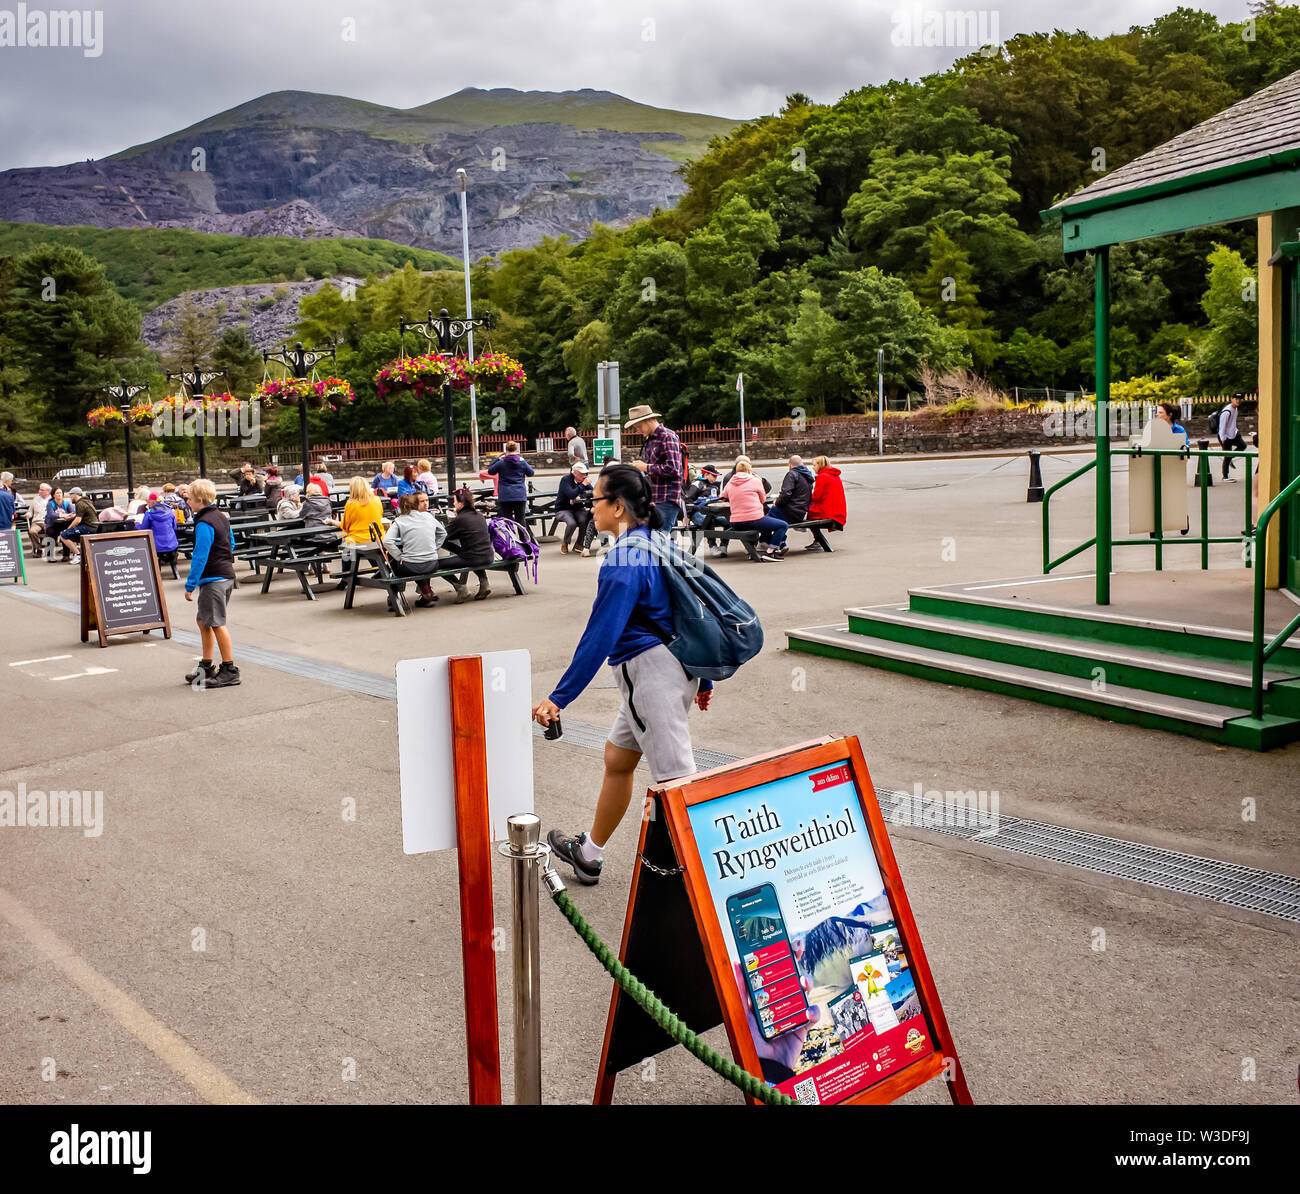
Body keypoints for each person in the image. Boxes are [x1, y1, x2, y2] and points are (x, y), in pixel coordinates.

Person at [532, 464, 714, 885]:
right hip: (673, 669)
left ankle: (708, 885)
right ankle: (589, 854)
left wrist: (559, 697)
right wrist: (702, 678)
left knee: (677, 781)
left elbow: (601, 634)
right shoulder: (655, 543)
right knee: (618, 757)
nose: (588, 507)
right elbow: (687, 614)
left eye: (594, 499)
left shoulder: (622, 558)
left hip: (650, 676)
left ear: (617, 506)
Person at [184, 478, 240, 688]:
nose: (187, 502)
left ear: (199, 499)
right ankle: (206, 666)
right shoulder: (221, 517)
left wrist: (190, 584)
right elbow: (231, 542)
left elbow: (200, 555)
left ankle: (229, 669)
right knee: (204, 621)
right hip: (225, 574)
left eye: (189, 498)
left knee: (216, 623)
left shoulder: (204, 522)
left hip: (213, 577)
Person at [383, 492, 447, 608]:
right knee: (419, 563)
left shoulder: (400, 520)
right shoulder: (428, 516)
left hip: (411, 565)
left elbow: (387, 541)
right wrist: (434, 547)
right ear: (417, 505)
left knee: (394, 566)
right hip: (433, 563)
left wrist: (399, 556)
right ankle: (426, 591)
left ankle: (393, 600)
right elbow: (443, 533)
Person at [626, 404, 684, 531]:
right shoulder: (650, 440)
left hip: (667, 498)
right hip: (655, 499)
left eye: (639, 426)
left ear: (648, 420)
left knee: (658, 542)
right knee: (651, 541)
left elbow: (673, 469)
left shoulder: (668, 437)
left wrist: (645, 467)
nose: (638, 431)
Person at [721, 457, 786, 561]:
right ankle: (770, 552)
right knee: (782, 525)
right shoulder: (755, 481)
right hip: (754, 520)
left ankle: (756, 551)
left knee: (764, 523)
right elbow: (763, 499)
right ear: (749, 470)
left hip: (735, 522)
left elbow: (723, 496)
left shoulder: (730, 483)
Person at [440, 488, 496, 601]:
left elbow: (443, 535)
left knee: (436, 564)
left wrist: (453, 519)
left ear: (461, 503)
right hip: (488, 556)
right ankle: (484, 582)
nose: (454, 504)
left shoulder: (460, 519)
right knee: (469, 552)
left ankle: (460, 588)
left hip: (472, 558)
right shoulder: (479, 515)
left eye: (455, 501)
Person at [332, 475, 386, 582]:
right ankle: (380, 571)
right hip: (377, 538)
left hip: (357, 540)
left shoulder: (351, 505)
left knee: (346, 546)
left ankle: (346, 576)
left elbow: (345, 526)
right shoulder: (376, 500)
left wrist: (332, 522)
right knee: (371, 549)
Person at [486, 441, 534, 527]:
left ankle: (510, 539)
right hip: (519, 494)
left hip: (505, 495)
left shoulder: (501, 463)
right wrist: (524, 460)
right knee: (520, 519)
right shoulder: (522, 462)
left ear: (506, 450)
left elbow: (490, 471)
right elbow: (531, 473)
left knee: (507, 519)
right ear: (516, 449)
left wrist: (497, 459)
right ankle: (523, 540)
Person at [806, 456, 847, 549]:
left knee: (808, 516)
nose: (813, 468)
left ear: (820, 465)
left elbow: (816, 497)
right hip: (839, 512)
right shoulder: (834, 475)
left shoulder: (822, 477)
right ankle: (818, 541)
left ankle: (818, 541)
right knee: (810, 512)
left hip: (830, 512)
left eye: (814, 465)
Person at [684, 464, 726, 554]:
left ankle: (723, 546)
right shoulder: (697, 484)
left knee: (728, 521)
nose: (715, 478)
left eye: (716, 476)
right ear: (706, 474)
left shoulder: (715, 486)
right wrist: (687, 516)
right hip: (697, 513)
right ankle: (712, 546)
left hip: (714, 512)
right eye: (713, 476)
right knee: (708, 519)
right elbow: (687, 500)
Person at [554, 460, 593, 554]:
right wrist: (582, 486)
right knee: (572, 523)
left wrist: (580, 495)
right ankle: (565, 543)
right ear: (575, 473)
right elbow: (571, 494)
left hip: (578, 508)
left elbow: (592, 492)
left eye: (586, 473)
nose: (585, 476)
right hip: (563, 509)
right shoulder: (565, 480)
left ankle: (579, 544)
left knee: (584, 520)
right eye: (582, 474)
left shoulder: (583, 480)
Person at [59, 486, 100, 561]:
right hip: (93, 526)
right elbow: (81, 515)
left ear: (75, 494)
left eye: (71, 495)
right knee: (69, 535)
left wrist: (69, 528)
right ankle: (79, 553)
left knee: (64, 535)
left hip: (88, 527)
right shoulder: (86, 501)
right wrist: (71, 517)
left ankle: (78, 555)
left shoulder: (80, 504)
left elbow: (78, 520)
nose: (70, 497)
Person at [772, 455, 815, 524]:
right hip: (802, 513)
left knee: (768, 516)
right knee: (777, 523)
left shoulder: (792, 474)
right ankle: (781, 534)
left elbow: (786, 494)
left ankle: (776, 535)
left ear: (790, 465)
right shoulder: (807, 475)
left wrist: (777, 503)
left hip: (790, 513)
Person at [137, 491, 180, 559]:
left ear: (152, 502)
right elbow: (174, 527)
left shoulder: (149, 513)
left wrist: (137, 524)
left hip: (156, 547)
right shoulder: (171, 512)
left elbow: (143, 529)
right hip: (172, 545)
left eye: (149, 501)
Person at [1217, 393, 1246, 480]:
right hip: (1225, 436)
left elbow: (1233, 422)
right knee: (1227, 456)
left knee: (1243, 446)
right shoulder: (1227, 411)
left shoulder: (1236, 409)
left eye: (1240, 399)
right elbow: (1222, 426)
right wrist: (1222, 438)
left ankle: (1231, 458)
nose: (1238, 401)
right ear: (1232, 399)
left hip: (1234, 433)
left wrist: (1236, 430)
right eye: (1236, 399)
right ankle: (1225, 476)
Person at [44, 487, 73, 560]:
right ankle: (50, 556)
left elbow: (73, 513)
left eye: (60, 493)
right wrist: (62, 515)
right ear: (53, 495)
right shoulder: (50, 504)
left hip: (64, 524)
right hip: (52, 525)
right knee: (51, 534)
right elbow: (51, 515)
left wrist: (68, 516)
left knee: (66, 534)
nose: (59, 494)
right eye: (57, 493)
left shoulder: (66, 503)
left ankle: (66, 555)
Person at [27, 483, 51, 555]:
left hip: (48, 521)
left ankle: (49, 550)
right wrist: (28, 514)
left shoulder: (52, 499)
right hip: (36, 521)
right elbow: (30, 511)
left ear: (48, 491)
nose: (39, 491)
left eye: (42, 490)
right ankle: (38, 549)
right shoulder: (35, 499)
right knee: (32, 532)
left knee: (49, 531)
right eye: (39, 489)